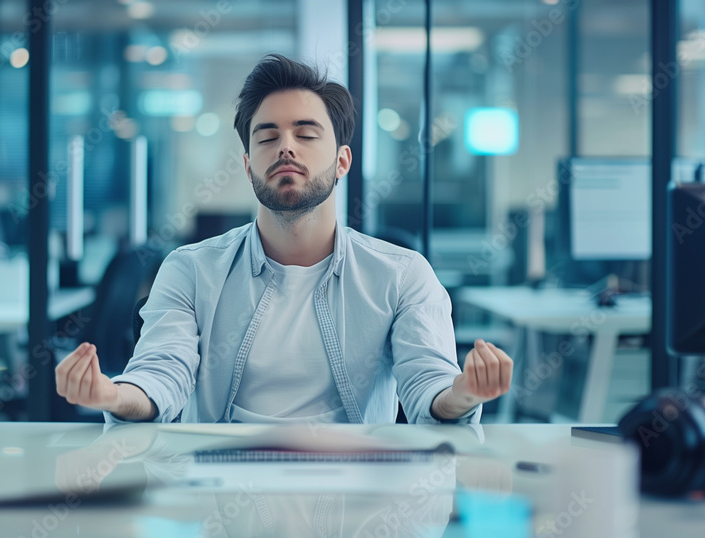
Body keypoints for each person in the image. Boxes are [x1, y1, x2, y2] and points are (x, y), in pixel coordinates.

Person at [56, 54, 513, 424]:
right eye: (267, 136)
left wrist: (464, 393)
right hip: (221, 495)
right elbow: (162, 374)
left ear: (342, 161)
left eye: (306, 134)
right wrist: (113, 394)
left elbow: (427, 387)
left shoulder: (401, 274)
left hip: (354, 496)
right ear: (248, 163)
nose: (285, 147)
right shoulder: (190, 269)